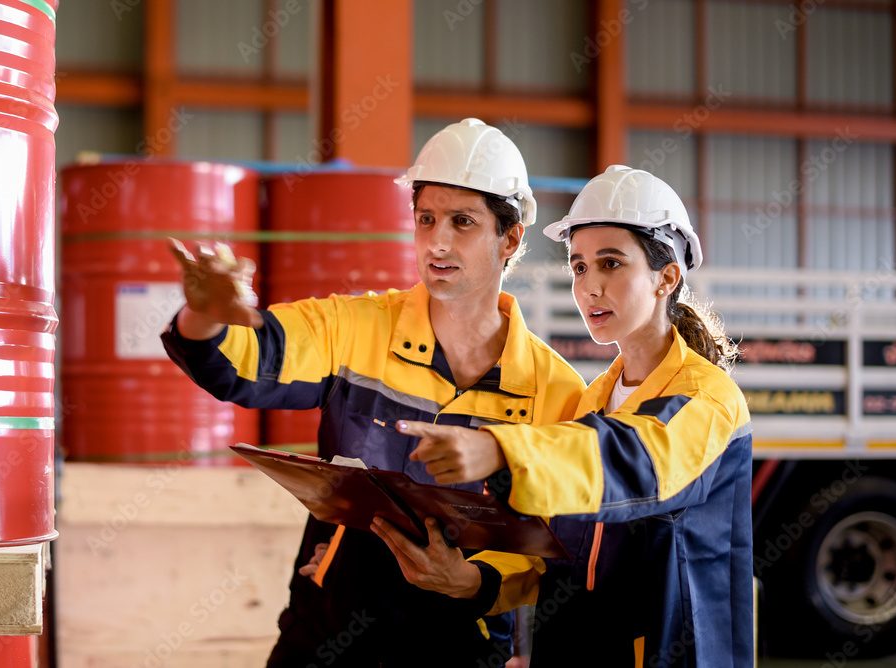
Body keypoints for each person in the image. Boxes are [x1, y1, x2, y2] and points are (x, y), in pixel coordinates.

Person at [161, 118, 588, 667]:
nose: (437, 241)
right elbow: (248, 362)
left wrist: (471, 580)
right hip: (328, 635)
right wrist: (204, 315)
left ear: (510, 238)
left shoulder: (558, 394)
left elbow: (558, 544)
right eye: (426, 219)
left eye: (462, 222)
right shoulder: (356, 328)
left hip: (460, 645)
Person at [372, 165, 753, 667]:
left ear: (666, 277)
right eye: (578, 267)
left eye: (611, 264)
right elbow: (556, 546)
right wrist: (479, 583)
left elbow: (632, 460)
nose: (589, 287)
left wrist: (501, 448)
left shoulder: (707, 400)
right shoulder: (593, 398)